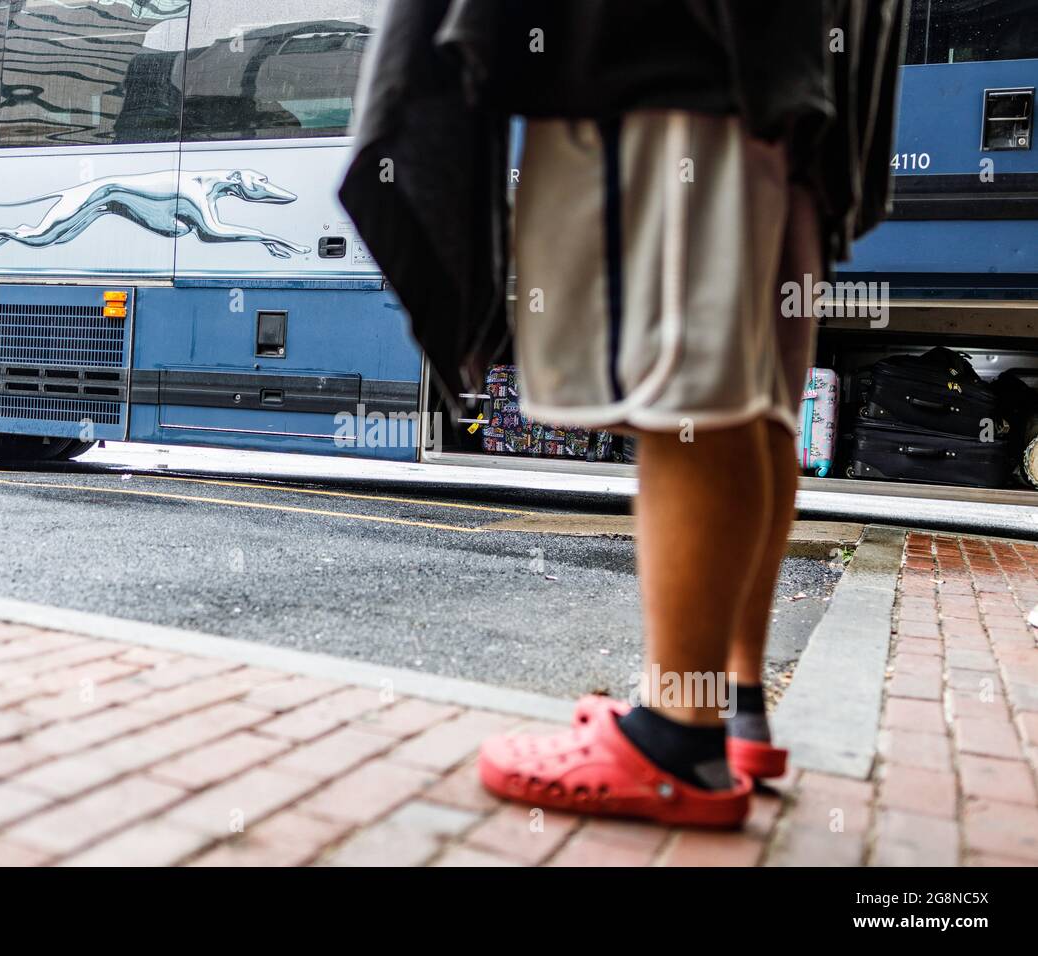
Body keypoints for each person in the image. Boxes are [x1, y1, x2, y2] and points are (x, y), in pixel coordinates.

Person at [341, 0, 907, 827]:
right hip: (769, 76)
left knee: (679, 388)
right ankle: (730, 704)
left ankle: (676, 742)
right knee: (757, 401)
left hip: (656, 55)